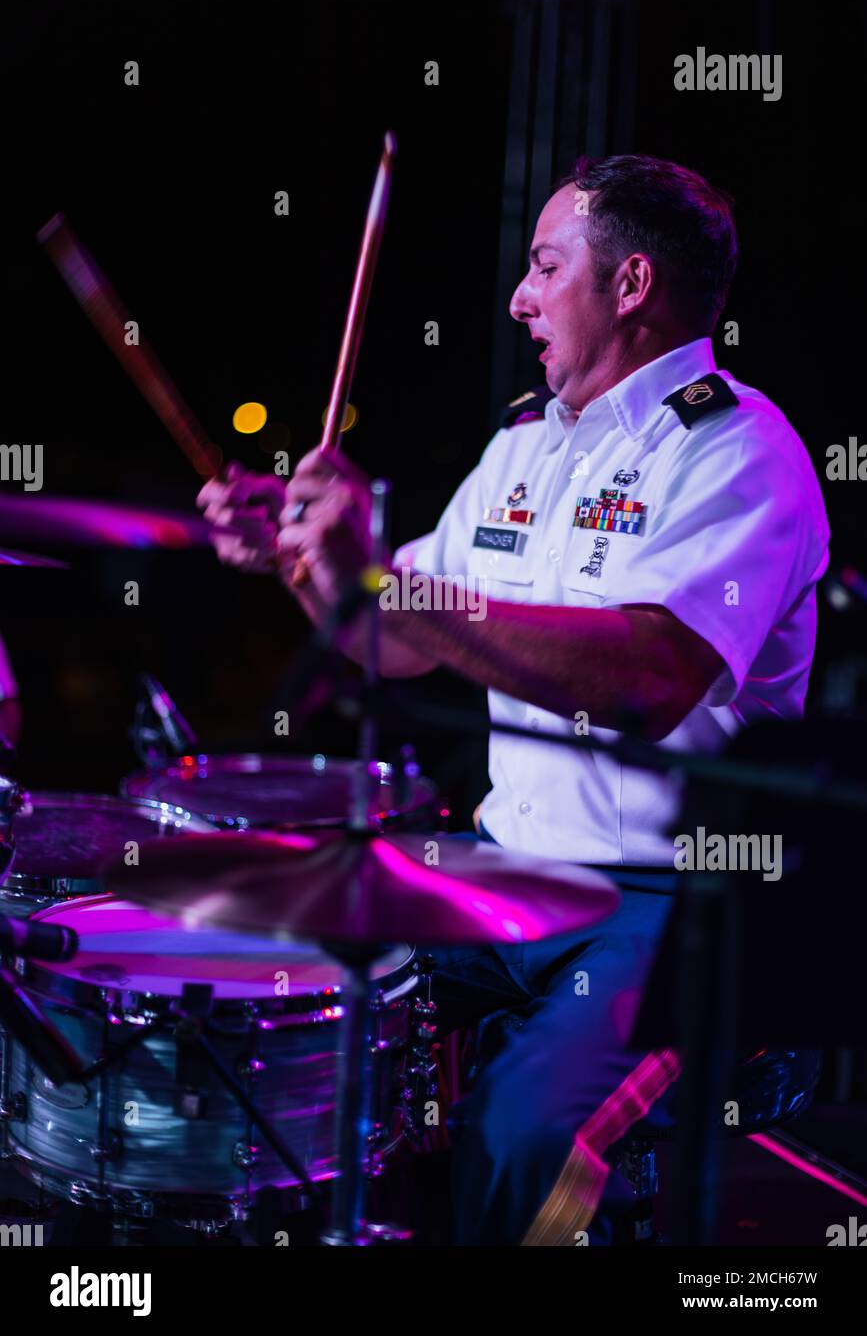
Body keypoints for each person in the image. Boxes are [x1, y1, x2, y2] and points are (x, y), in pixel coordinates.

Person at [198, 155, 829, 1244]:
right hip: (503, 875)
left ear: (629, 285)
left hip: (668, 902)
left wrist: (383, 580)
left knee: (521, 1134)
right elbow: (394, 639)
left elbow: (648, 676)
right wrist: (307, 566)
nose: (519, 298)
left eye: (545, 266)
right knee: (289, 1000)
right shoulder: (526, 445)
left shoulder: (740, 451)